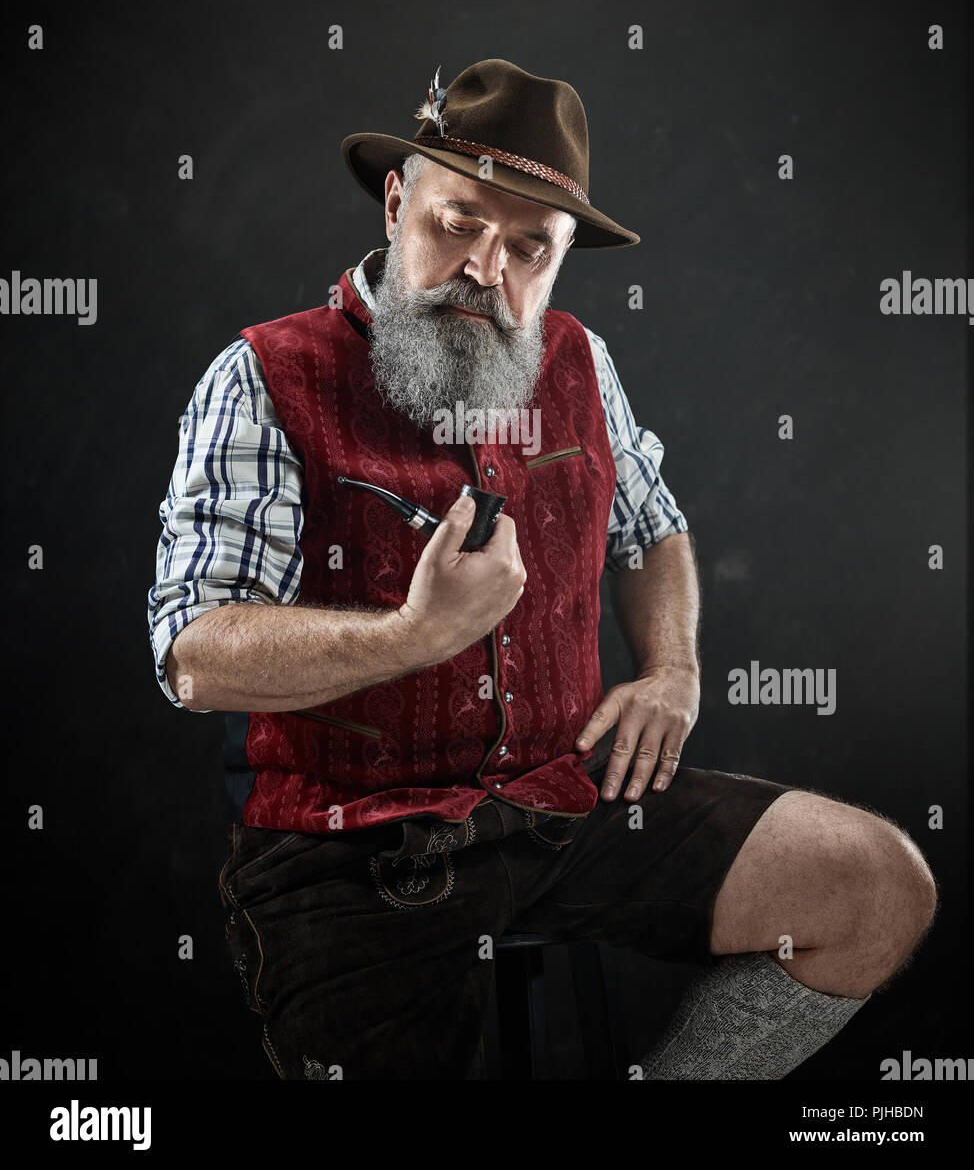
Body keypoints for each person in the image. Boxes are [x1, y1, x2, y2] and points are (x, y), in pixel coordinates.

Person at [147, 58, 937, 1080]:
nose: (486, 268)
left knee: (874, 887)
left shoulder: (575, 358)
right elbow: (195, 654)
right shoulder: (261, 375)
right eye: (458, 222)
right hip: (350, 853)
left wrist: (672, 671)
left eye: (528, 245)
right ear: (398, 201)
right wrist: (412, 637)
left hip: (562, 804)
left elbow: (651, 527)